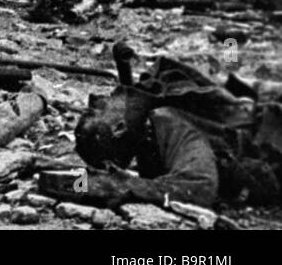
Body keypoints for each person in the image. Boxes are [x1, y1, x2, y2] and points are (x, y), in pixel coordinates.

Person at [61, 42, 282, 208]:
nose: (96, 98)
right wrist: (121, 184)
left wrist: (120, 182)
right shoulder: (169, 124)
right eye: (97, 110)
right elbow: (201, 186)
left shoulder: (154, 124)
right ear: (119, 128)